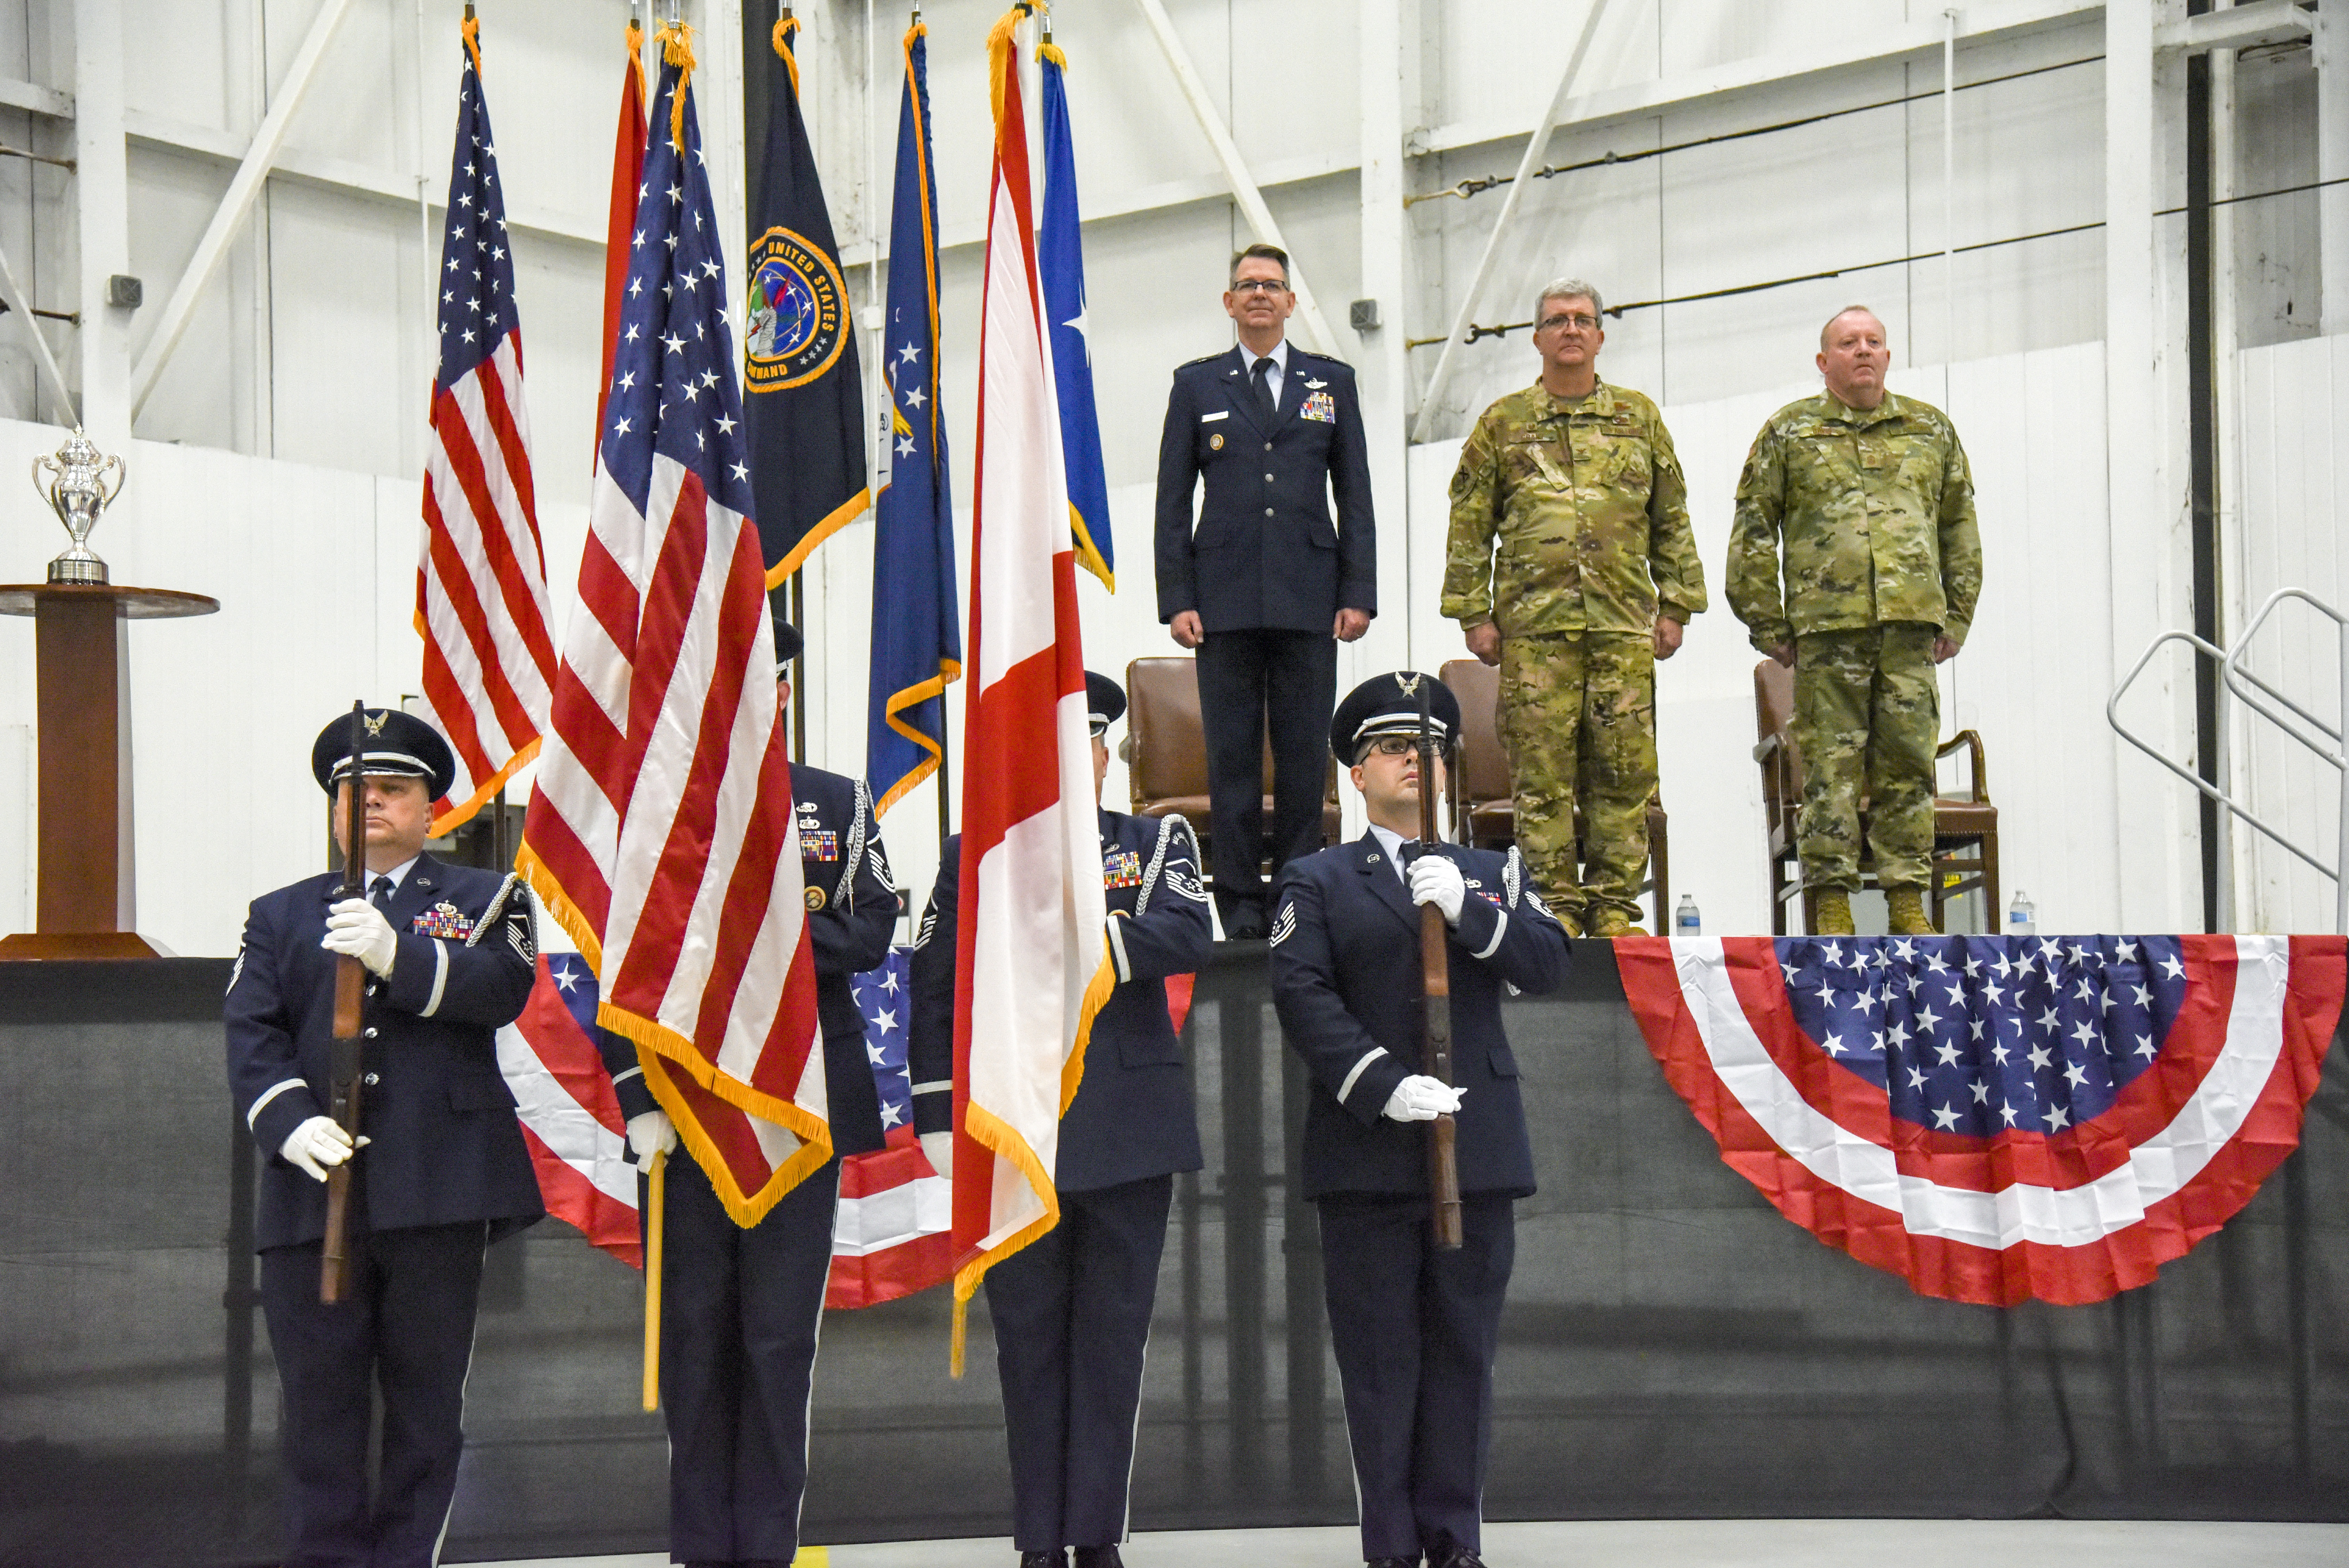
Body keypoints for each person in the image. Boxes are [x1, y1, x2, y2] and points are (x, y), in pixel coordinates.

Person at [605, 614, 902, 1568]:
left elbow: (872, 929)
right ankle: (701, 1548)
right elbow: (622, 962)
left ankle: (767, 1546)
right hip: (685, 1109)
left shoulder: (835, 802)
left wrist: (756, 946)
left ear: (782, 691)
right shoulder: (662, 806)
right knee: (693, 1336)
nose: (749, 696)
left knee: (777, 1341)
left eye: (765, 680)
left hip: (800, 1108)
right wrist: (635, 1096)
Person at [908, 672, 1214, 1568]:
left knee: (1112, 1346)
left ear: (1106, 753)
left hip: (1127, 1127)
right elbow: (935, 985)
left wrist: (1096, 937)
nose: (1072, 757)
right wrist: (936, 1114)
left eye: (1086, 739)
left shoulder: (1153, 841)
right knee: (1030, 1345)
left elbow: (1188, 932)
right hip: (1017, 1128)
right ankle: (1039, 1539)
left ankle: (1094, 1534)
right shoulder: (975, 854)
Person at [225, 707, 542, 1567]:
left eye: (392, 789)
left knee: (425, 1408)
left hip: (439, 1187)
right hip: (312, 1191)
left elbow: (501, 990)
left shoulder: (488, 898)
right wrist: (289, 1123)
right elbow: (252, 1032)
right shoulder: (280, 914)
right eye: (352, 792)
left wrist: (401, 956)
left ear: (430, 810)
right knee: (316, 1410)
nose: (368, 803)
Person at [1267, 673, 1571, 1568]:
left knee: (1462, 1355)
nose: (1415, 761)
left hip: (1475, 1149)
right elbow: (1302, 994)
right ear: (1355, 774)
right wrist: (1382, 1084)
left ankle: (1454, 1538)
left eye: (1431, 748)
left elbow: (1547, 962)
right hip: (1367, 1152)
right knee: (1379, 1361)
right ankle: (1392, 1545)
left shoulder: (1490, 871)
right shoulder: (1316, 878)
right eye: (1394, 748)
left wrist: (1470, 911)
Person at [1440, 277, 1706, 937]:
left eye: (1583, 320)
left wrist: (1677, 605)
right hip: (1535, 632)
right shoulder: (1503, 423)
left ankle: (1615, 907)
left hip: (1622, 625)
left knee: (1624, 771)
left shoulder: (1638, 418)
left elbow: (1670, 516)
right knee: (1543, 776)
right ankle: (1553, 906)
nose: (1571, 330)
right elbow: (1469, 523)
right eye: (1558, 320)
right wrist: (1474, 613)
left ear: (1600, 337)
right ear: (1537, 337)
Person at [1724, 305, 1982, 937]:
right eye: (1848, 342)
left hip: (1910, 631)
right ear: (1824, 361)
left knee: (1908, 768)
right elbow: (1753, 530)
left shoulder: (1931, 430)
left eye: (1873, 341)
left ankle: (1907, 901)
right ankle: (1831, 902)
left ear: (1888, 356)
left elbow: (1959, 526)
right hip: (1827, 634)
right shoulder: (1790, 432)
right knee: (1830, 772)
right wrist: (1768, 624)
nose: (1863, 350)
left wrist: (1957, 614)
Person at [1154, 241, 1376, 939]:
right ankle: (1242, 905)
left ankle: (1299, 896)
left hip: (1310, 598)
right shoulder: (1198, 387)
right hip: (1221, 603)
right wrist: (1177, 598)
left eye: (1272, 285)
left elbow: (1356, 496)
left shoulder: (1331, 382)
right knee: (1233, 760)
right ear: (1230, 302)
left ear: (1290, 302)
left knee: (1306, 757)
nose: (1260, 295)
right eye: (1248, 285)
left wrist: (1358, 592)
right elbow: (1171, 502)